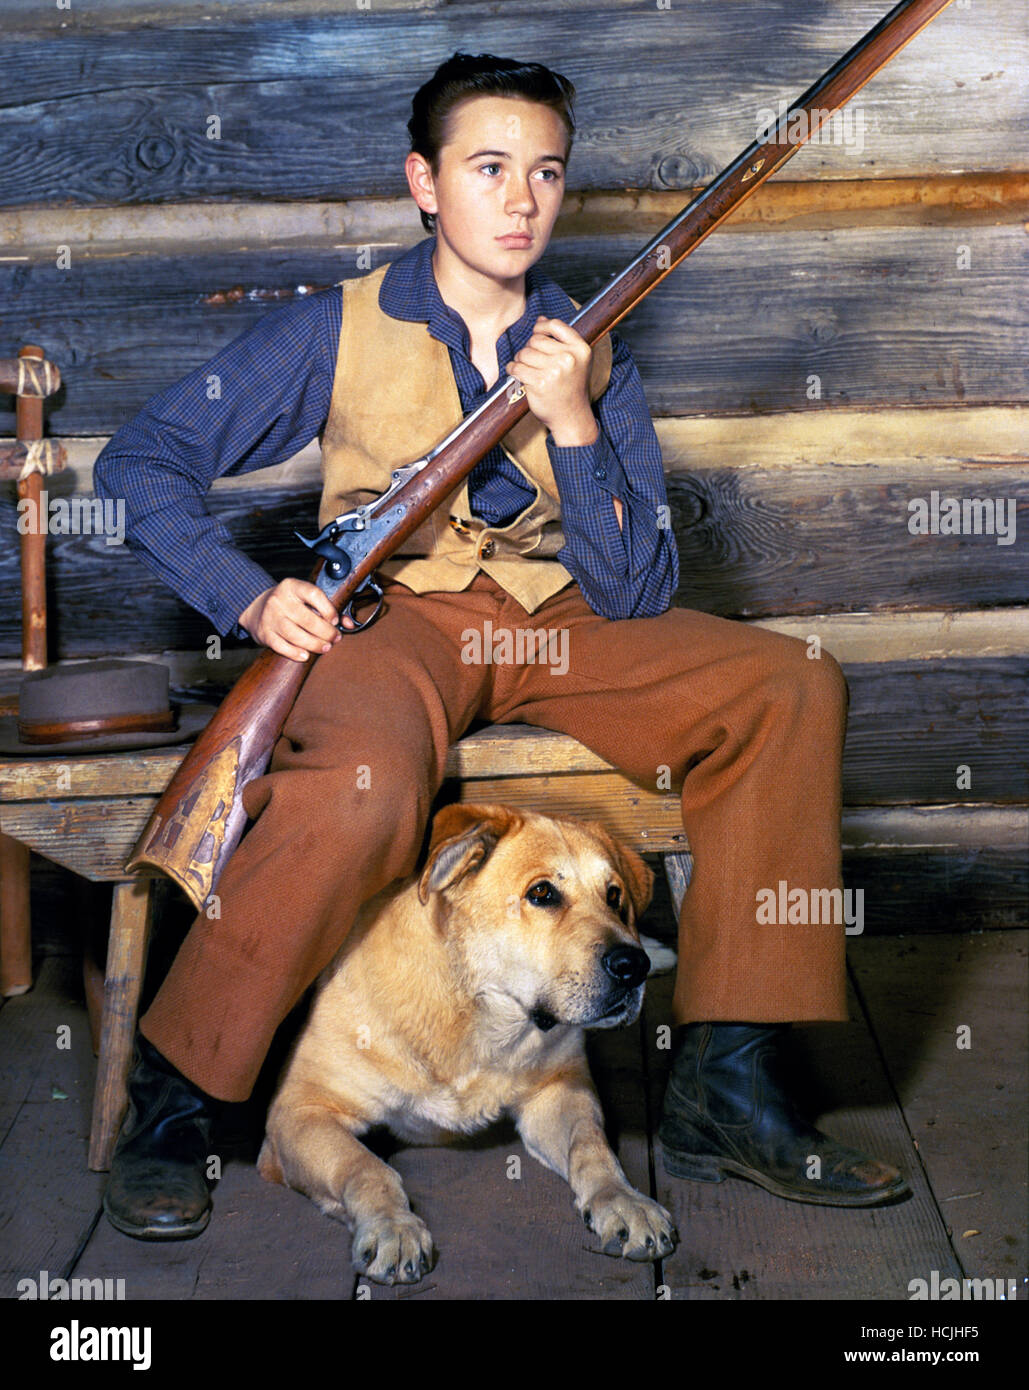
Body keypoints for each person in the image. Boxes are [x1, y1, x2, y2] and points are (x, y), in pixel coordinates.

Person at [93, 52, 909, 1243]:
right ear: (424, 184)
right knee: (361, 794)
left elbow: (635, 590)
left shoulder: (595, 339)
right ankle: (178, 1097)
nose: (521, 199)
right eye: (488, 169)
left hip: (559, 622)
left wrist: (575, 417)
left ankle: (730, 1090)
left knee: (789, 684)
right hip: (402, 626)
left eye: (545, 172)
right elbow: (139, 463)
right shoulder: (339, 325)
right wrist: (249, 597)